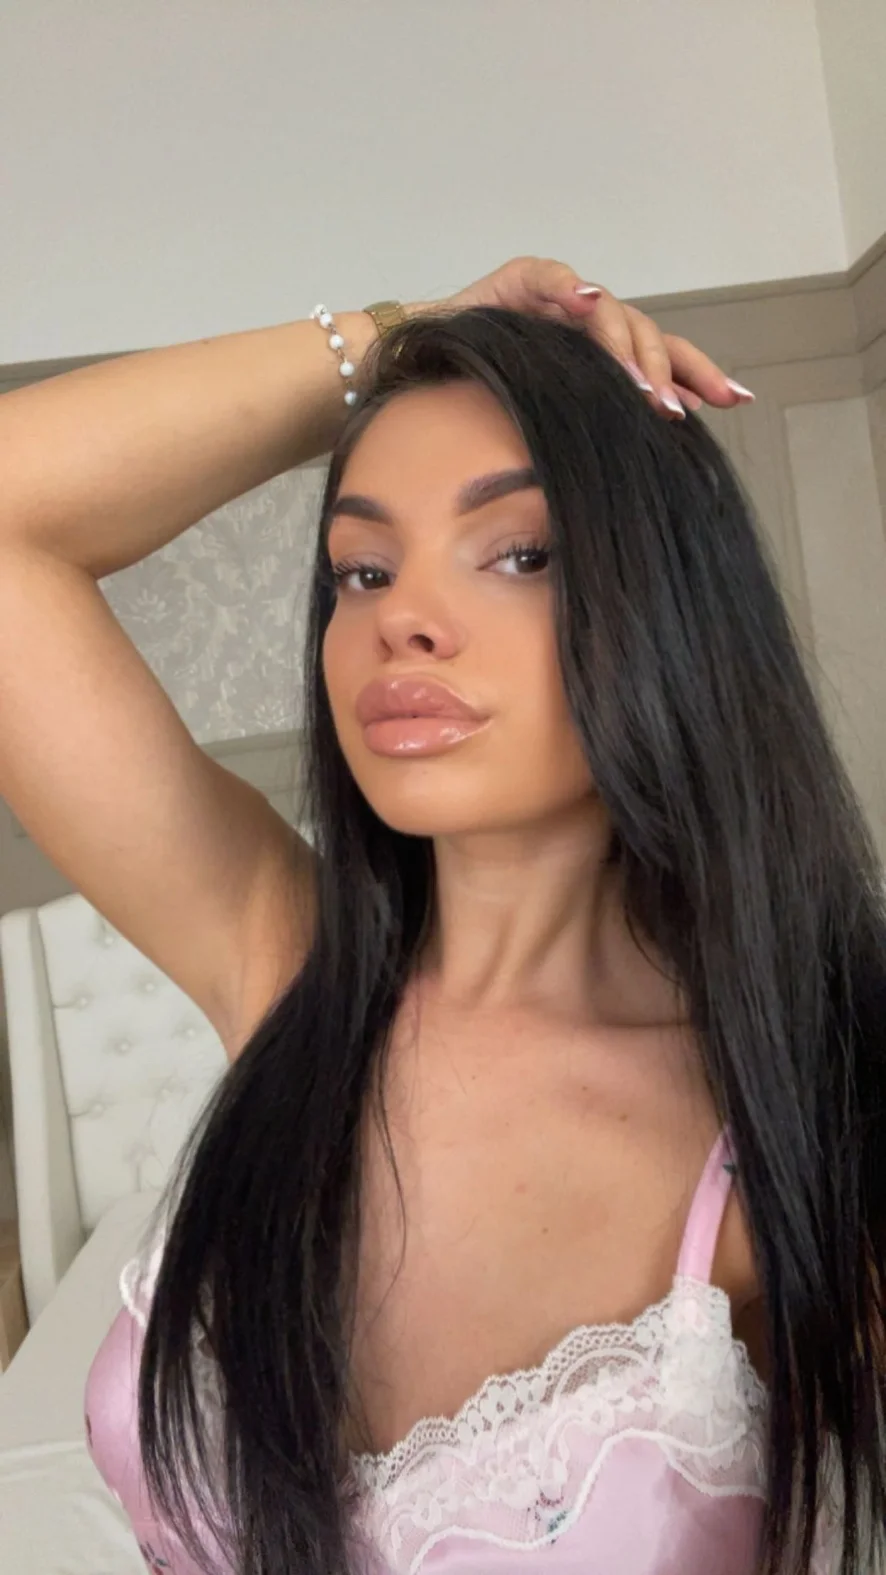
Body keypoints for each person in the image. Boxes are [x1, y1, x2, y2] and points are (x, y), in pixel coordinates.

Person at [0, 258, 883, 1575]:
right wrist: (413, 332)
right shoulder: (287, 969)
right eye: (360, 570)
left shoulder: (798, 1107)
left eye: (519, 553)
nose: (403, 619)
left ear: (670, 609)